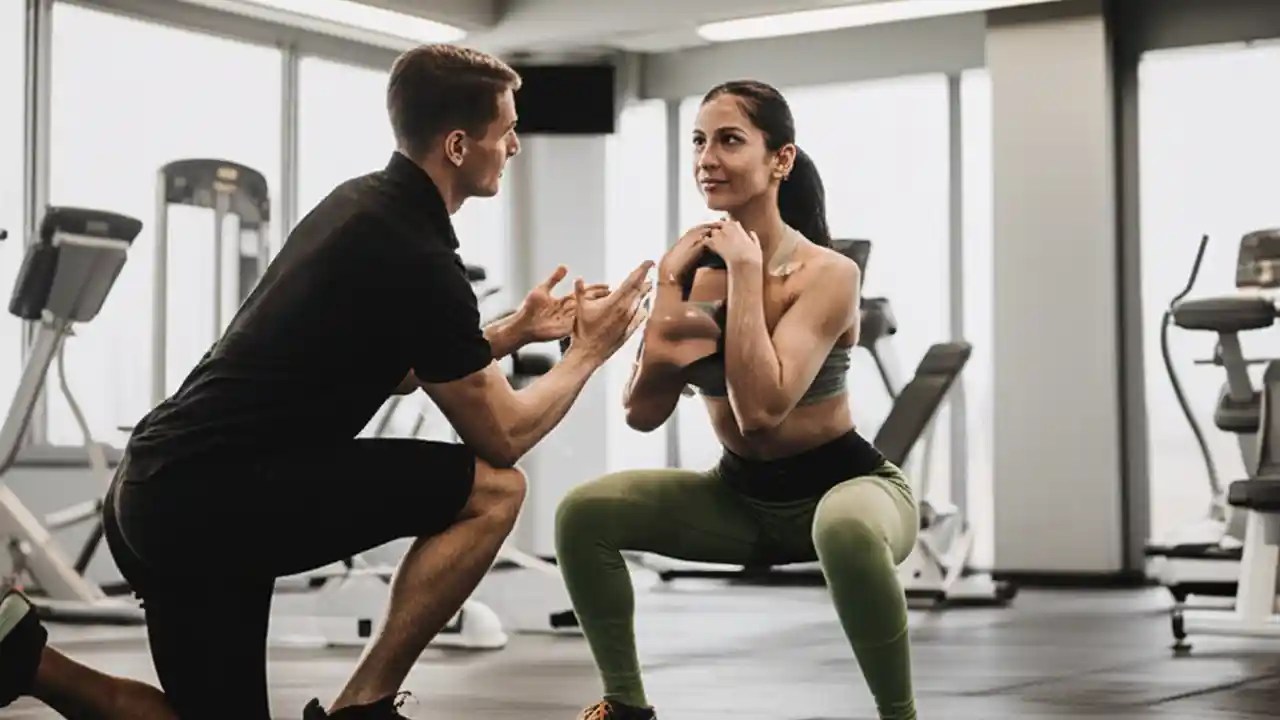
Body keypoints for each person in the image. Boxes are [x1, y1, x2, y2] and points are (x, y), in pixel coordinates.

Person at [0, 43, 652, 720]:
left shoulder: (362, 206)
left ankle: (26, 661)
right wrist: (590, 351)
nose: (515, 146)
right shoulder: (419, 254)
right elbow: (504, 433)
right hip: (216, 496)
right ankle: (363, 708)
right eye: (507, 131)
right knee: (494, 492)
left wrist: (513, 329)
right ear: (458, 145)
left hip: (155, 488)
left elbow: (394, 369)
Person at [554, 79, 920, 720]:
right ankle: (625, 706)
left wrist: (745, 277)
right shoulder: (694, 269)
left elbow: (762, 410)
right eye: (699, 141)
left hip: (849, 489)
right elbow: (644, 414)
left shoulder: (829, 274)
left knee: (844, 528)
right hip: (741, 499)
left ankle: (900, 716)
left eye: (729, 140)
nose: (706, 158)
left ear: (780, 159)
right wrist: (669, 287)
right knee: (584, 514)